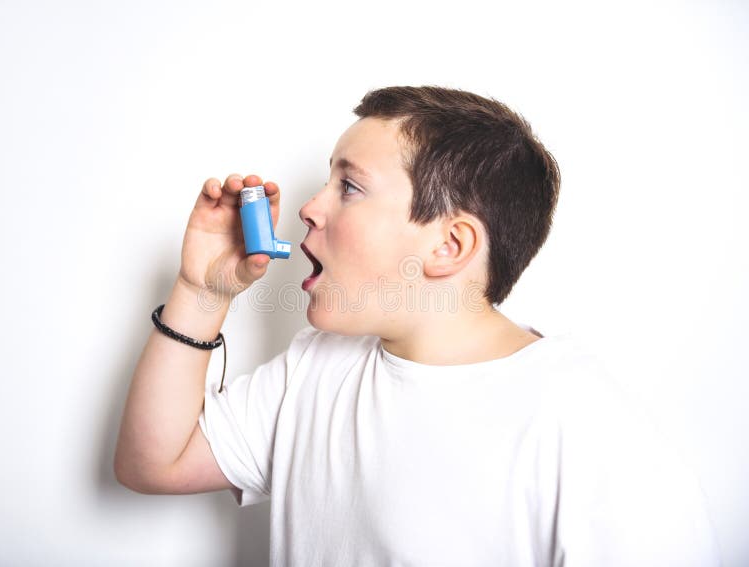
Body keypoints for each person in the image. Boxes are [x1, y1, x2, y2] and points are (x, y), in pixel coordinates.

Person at [114, 86, 720, 566]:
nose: (308, 207)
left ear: (450, 245)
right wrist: (200, 291)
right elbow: (153, 464)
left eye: (348, 186)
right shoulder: (314, 369)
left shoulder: (595, 440)